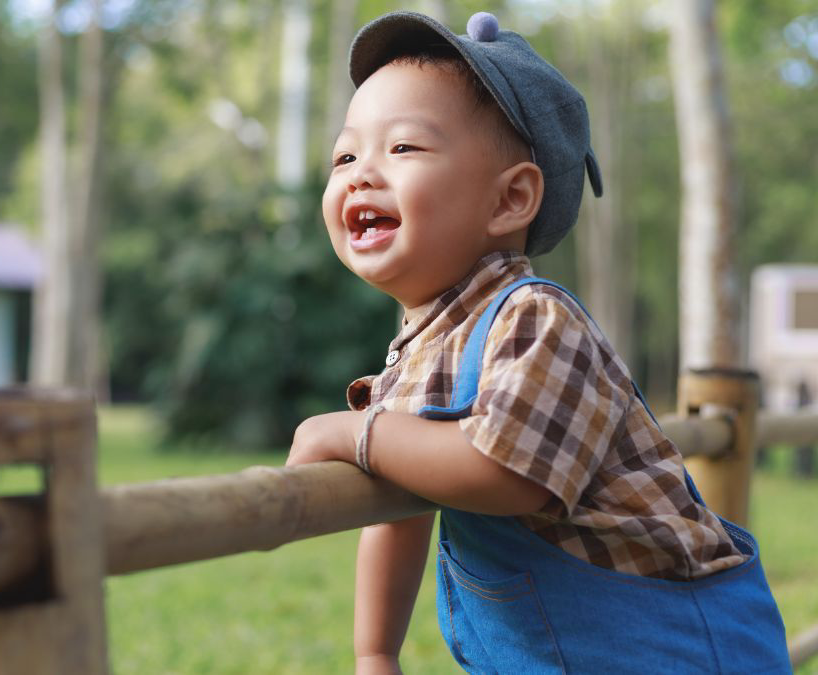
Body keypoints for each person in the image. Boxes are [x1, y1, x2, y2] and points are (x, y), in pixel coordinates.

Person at [285, 11, 790, 674]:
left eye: (402, 148)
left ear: (509, 200)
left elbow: (508, 471)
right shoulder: (419, 351)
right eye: (345, 155)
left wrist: (353, 433)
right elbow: (402, 492)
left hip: (673, 649)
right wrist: (375, 649)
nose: (360, 173)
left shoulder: (533, 319)